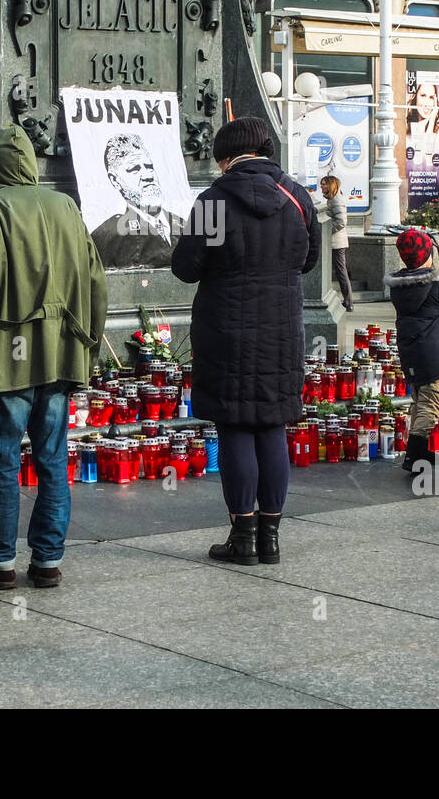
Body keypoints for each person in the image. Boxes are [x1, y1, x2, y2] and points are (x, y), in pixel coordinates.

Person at [0, 125, 108, 589]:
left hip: (7, 356)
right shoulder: (66, 206)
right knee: (53, 457)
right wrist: (88, 344)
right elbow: (97, 282)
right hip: (61, 352)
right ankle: (48, 560)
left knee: (3, 459)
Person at [172, 116, 318, 565]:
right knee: (271, 425)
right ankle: (271, 538)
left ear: (224, 157)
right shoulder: (296, 196)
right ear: (265, 149)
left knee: (235, 426)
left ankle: (243, 537)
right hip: (280, 330)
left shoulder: (214, 201)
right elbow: (309, 259)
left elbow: (187, 268)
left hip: (225, 331)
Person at [387, 228, 439, 475]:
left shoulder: (399, 285)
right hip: (434, 354)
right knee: (432, 402)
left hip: (411, 351)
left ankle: (420, 450)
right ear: (428, 254)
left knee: (419, 399)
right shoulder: (437, 285)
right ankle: (414, 454)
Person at [90, 133, 187, 269]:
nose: (148, 175)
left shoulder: (182, 224)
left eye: (149, 167)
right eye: (135, 169)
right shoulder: (106, 236)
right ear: (115, 180)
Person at [319, 174, 354, 312]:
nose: (321, 186)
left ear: (331, 185)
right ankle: (347, 300)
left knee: (341, 271)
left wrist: (327, 231)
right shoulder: (333, 199)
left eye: (324, 184)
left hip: (336, 242)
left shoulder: (336, 200)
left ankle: (348, 301)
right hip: (335, 241)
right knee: (340, 271)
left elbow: (341, 222)